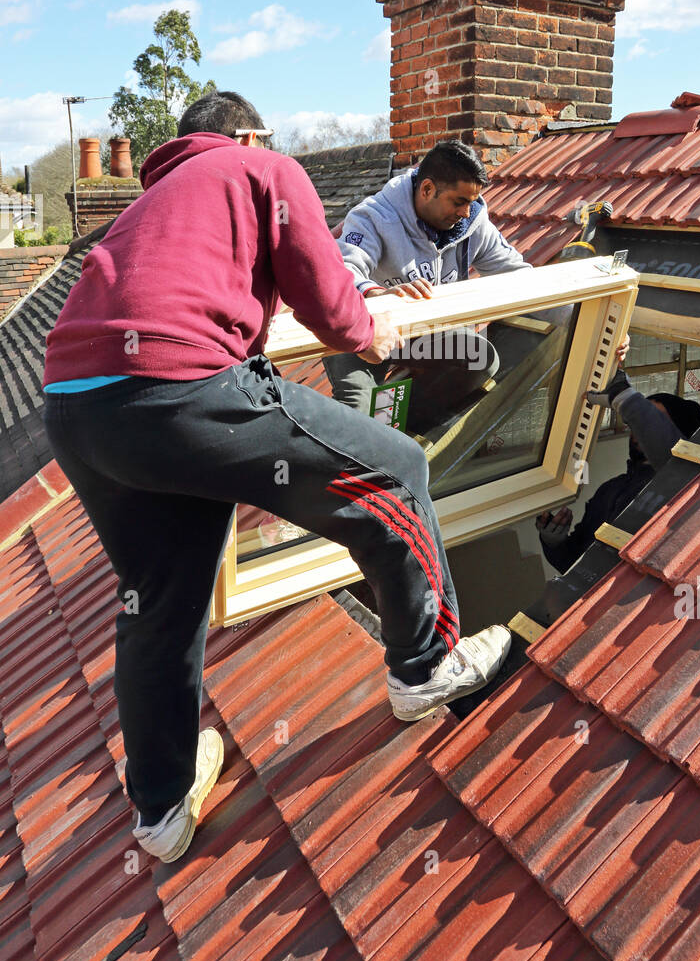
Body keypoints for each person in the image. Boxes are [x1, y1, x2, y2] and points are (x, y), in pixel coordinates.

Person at [41, 91, 512, 865]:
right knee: (397, 471)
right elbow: (328, 299)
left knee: (160, 597)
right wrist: (373, 330)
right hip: (181, 386)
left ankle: (158, 813)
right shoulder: (261, 167)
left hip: (77, 409)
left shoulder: (151, 202)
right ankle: (426, 665)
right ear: (248, 132)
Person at [324, 139, 533, 416]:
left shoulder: (473, 222)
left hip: (419, 335)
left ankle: (395, 427)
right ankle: (365, 435)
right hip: (364, 329)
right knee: (357, 408)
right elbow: (340, 272)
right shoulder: (373, 217)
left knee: (479, 358)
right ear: (427, 189)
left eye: (471, 203)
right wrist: (373, 294)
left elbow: (519, 277)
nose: (466, 213)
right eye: (459, 202)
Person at [535, 361, 700, 574]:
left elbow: (677, 470)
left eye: (652, 421)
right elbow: (572, 564)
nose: (637, 427)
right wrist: (554, 541)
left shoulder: (681, 489)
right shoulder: (609, 490)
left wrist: (624, 397)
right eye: (636, 421)